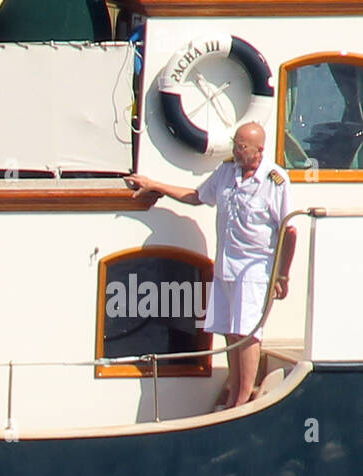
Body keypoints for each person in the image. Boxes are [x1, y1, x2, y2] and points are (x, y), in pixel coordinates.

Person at [125, 122, 296, 410]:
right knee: (231, 330)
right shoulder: (226, 173)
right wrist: (156, 186)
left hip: (255, 268)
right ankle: (234, 395)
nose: (235, 151)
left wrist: (283, 274)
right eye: (235, 145)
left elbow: (289, 230)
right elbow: (196, 196)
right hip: (227, 266)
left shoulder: (275, 180)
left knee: (248, 332)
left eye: (241, 147)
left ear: (259, 150)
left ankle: (243, 399)